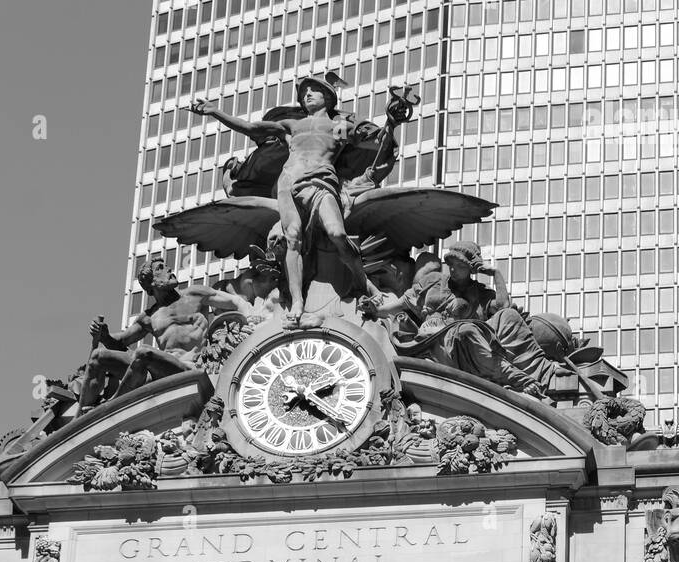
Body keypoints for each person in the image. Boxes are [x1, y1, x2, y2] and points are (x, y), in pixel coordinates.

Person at [190, 76, 370, 323]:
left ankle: (362, 283)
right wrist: (216, 112)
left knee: (337, 234)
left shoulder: (339, 125)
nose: (307, 95)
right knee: (292, 239)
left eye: (313, 91)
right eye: (304, 92)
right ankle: (297, 302)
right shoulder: (292, 126)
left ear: (327, 97)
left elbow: (374, 144)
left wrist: (389, 124)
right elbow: (251, 128)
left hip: (320, 183)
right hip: (289, 183)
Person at [360, 241, 578, 399]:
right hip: (432, 340)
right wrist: (377, 309)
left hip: (464, 345)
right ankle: (516, 378)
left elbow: (503, 307)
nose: (453, 269)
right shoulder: (432, 281)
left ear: (472, 268)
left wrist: (496, 275)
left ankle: (543, 371)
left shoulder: (478, 293)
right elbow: (401, 304)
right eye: (451, 264)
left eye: (460, 266)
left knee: (508, 317)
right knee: (467, 330)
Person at [78, 256, 253, 411]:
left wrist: (253, 320)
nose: (169, 269)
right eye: (160, 268)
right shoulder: (148, 317)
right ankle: (84, 415)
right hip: (157, 370)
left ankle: (111, 406)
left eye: (166, 266)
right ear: (151, 283)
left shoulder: (194, 294)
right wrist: (104, 335)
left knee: (143, 352)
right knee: (97, 356)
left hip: (189, 368)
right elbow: (121, 341)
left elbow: (236, 302)